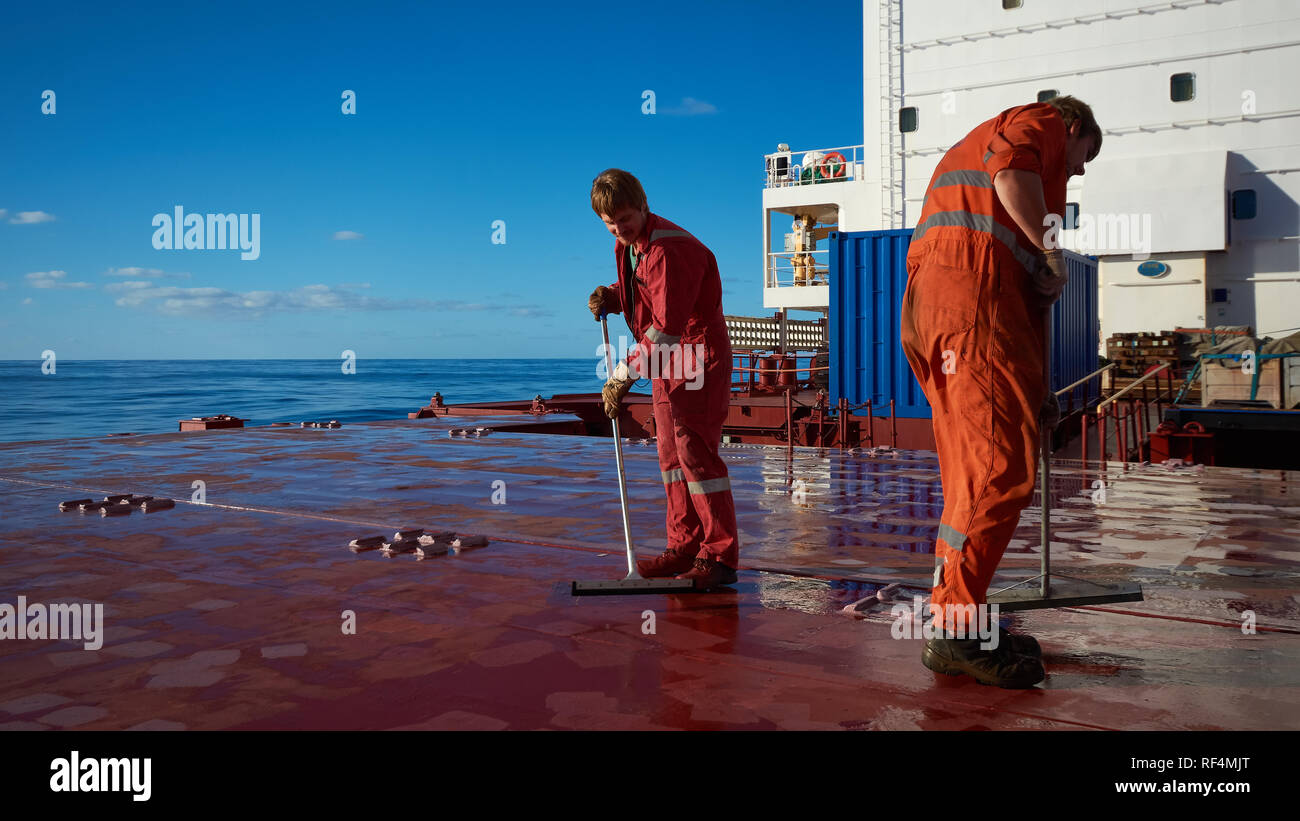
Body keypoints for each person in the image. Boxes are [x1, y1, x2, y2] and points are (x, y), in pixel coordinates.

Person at [900, 96, 1102, 687]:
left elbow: (1035, 297)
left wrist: (1038, 387)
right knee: (999, 471)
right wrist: (1051, 249)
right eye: (1086, 154)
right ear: (1072, 127)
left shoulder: (1009, 188)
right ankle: (955, 630)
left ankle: (957, 611)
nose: (1083, 169)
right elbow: (1011, 172)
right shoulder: (1037, 126)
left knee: (970, 475)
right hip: (973, 300)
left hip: (943, 306)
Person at [587, 168, 741, 590]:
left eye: (624, 218)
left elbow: (668, 325)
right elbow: (645, 294)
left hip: (694, 355)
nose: (619, 228)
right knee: (671, 458)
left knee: (696, 454)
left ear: (642, 205)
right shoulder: (633, 245)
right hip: (666, 361)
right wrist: (614, 295)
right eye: (610, 223)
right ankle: (684, 547)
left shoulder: (668, 249)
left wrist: (621, 376)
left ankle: (719, 556)